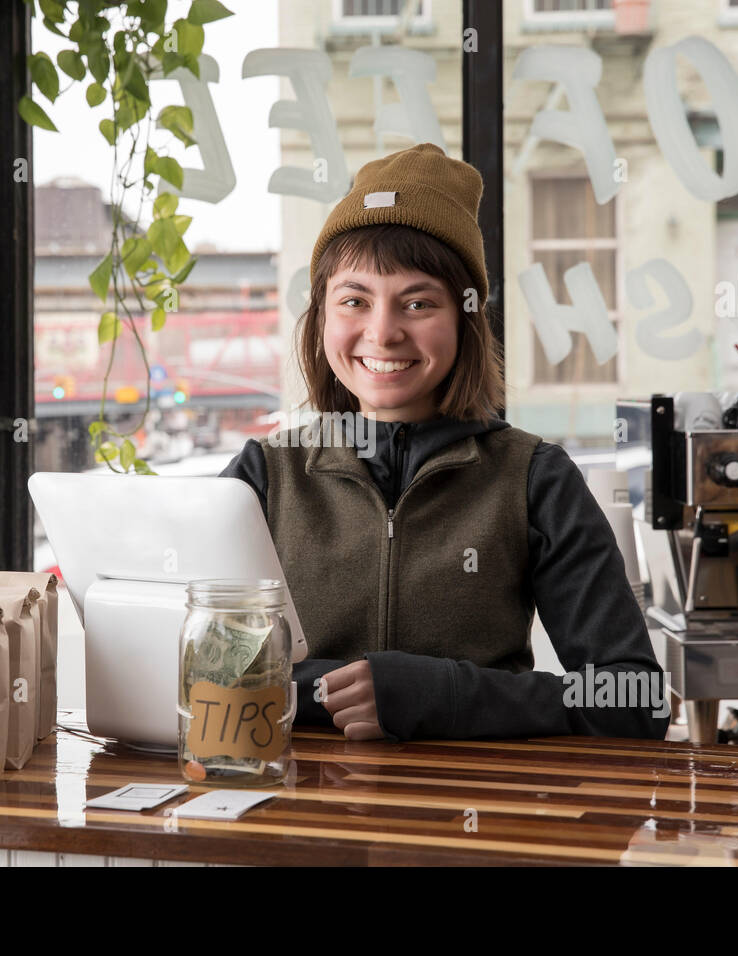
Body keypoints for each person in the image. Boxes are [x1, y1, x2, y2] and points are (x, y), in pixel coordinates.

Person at [221, 143, 667, 743]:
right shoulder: (263, 476)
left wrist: (442, 695)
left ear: (465, 320)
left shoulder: (535, 477)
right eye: (354, 300)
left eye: (418, 302)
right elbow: (201, 669)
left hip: (475, 819)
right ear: (321, 317)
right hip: (298, 815)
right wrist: (337, 690)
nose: (382, 331)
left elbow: (633, 698)